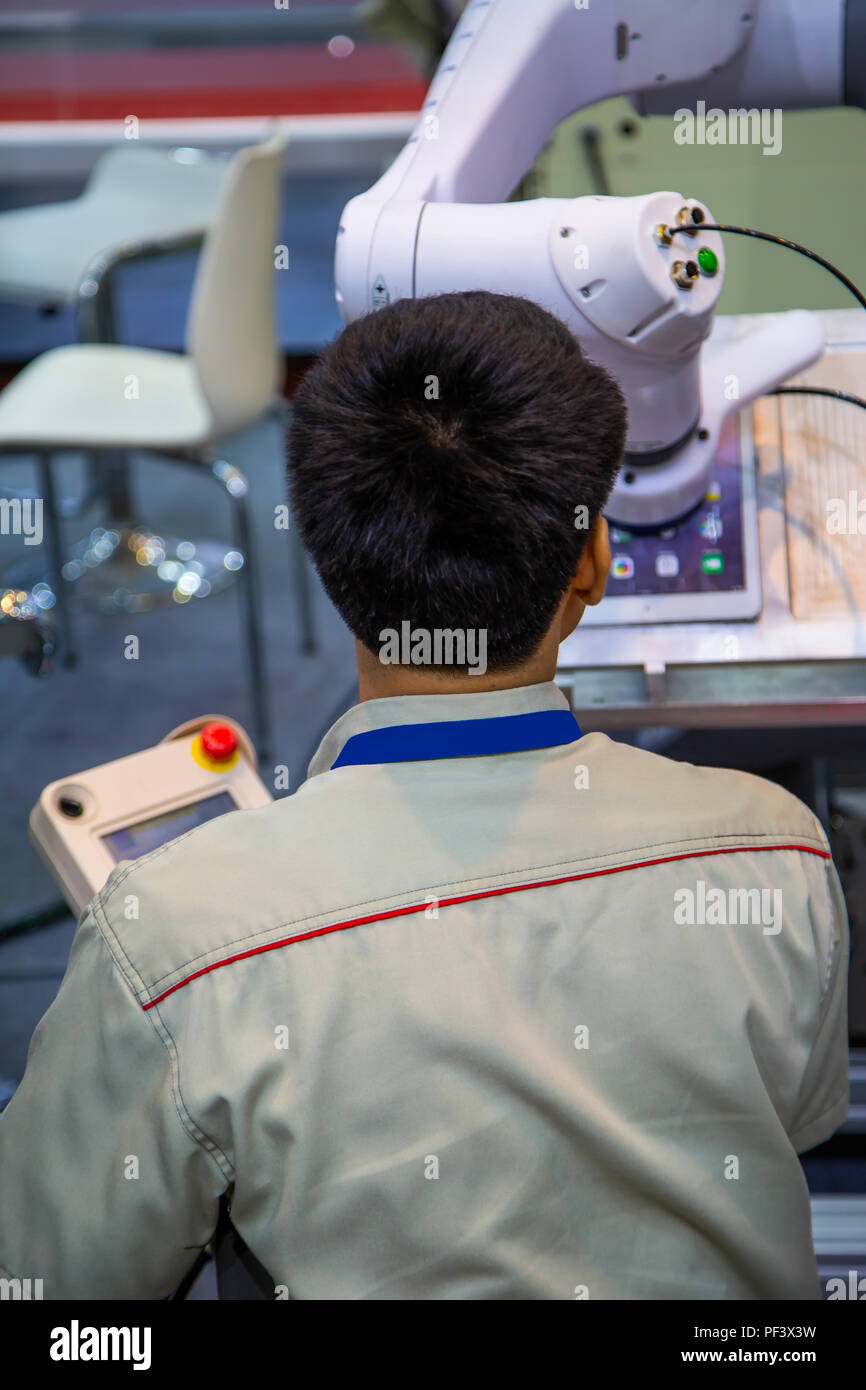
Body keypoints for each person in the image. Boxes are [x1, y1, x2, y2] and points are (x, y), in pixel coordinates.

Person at [0, 291, 849, 1300]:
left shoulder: (174, 940)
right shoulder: (774, 850)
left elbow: (52, 1293)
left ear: (323, 560)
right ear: (591, 563)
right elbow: (792, 1120)